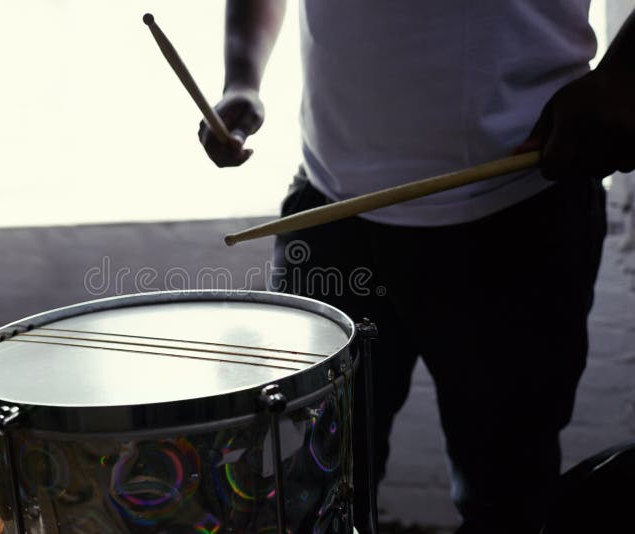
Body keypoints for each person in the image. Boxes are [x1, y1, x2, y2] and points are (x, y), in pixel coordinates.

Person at [197, 2, 635, 533]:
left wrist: (622, 73)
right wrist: (242, 78)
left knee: (505, 498)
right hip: (330, 208)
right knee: (308, 488)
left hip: (516, 211)